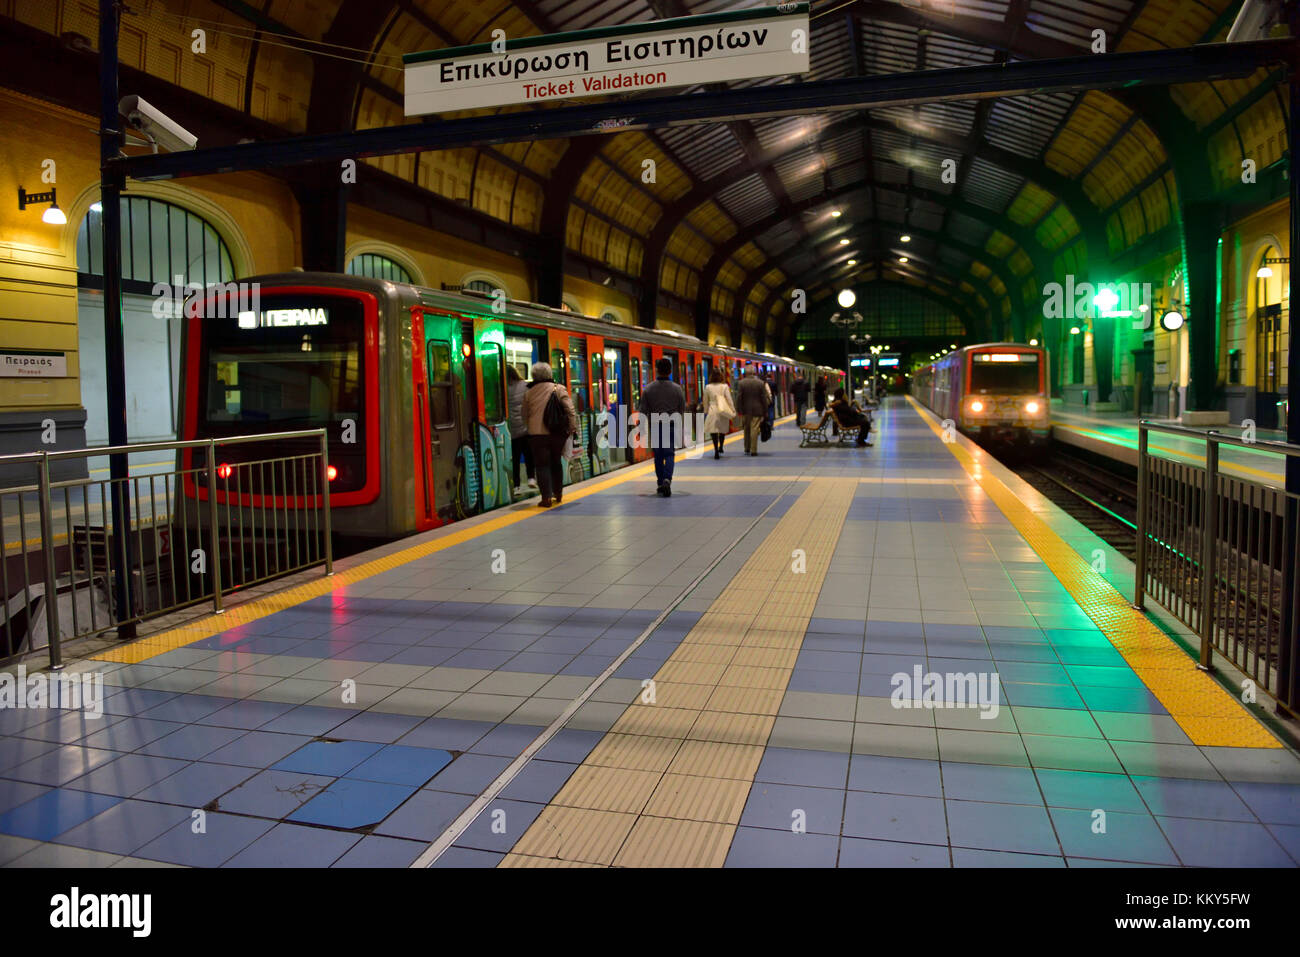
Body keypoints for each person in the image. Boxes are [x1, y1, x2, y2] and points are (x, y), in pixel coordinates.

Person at [520, 361, 578, 507]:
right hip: (556, 433)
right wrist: (572, 428)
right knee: (556, 462)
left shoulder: (529, 393)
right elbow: (570, 410)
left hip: (537, 435)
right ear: (549, 374)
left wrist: (531, 425)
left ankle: (546, 498)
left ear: (533, 376)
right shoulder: (558, 389)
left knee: (541, 466)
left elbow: (524, 414)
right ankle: (558, 494)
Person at [638, 357, 687, 496]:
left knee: (658, 456)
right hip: (671, 425)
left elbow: (642, 411)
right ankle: (667, 480)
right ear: (670, 371)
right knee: (669, 454)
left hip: (655, 426)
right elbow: (682, 408)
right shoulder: (677, 389)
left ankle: (660, 482)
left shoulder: (648, 389)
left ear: (656, 370)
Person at [506, 365, 535, 496]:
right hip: (526, 428)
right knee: (529, 455)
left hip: (513, 430)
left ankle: (516, 486)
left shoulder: (504, 388)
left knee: (516, 459)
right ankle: (531, 478)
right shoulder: (525, 385)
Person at [736, 364, 772, 456]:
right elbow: (763, 398)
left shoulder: (741, 383)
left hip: (745, 410)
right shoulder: (760, 383)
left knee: (746, 429)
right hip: (758, 410)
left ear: (746, 372)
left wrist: (739, 410)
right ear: (754, 372)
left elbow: (739, 398)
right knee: (754, 429)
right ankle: (754, 450)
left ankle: (746, 448)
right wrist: (765, 411)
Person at [702, 368, 737, 459]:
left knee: (713, 431)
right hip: (723, 410)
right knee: (722, 430)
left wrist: (706, 411)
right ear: (721, 376)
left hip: (712, 410)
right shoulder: (724, 386)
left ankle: (716, 450)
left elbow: (705, 400)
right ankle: (721, 446)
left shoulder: (708, 387)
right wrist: (732, 410)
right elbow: (729, 399)